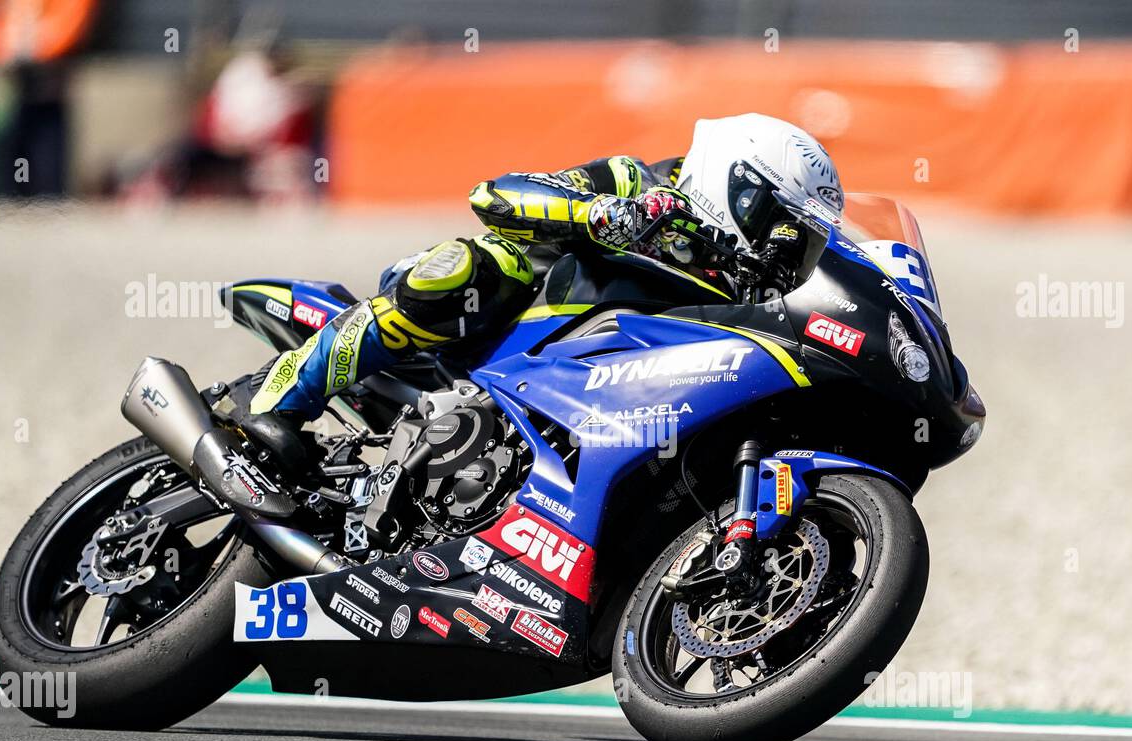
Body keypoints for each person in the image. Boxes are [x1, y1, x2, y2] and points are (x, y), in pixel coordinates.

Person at [223, 113, 846, 492]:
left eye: (803, 245)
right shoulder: (641, 182)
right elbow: (494, 195)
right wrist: (598, 213)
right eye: (778, 225)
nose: (782, 253)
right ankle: (273, 397)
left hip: (589, 402)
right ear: (736, 183)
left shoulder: (741, 303)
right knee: (474, 267)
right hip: (491, 333)